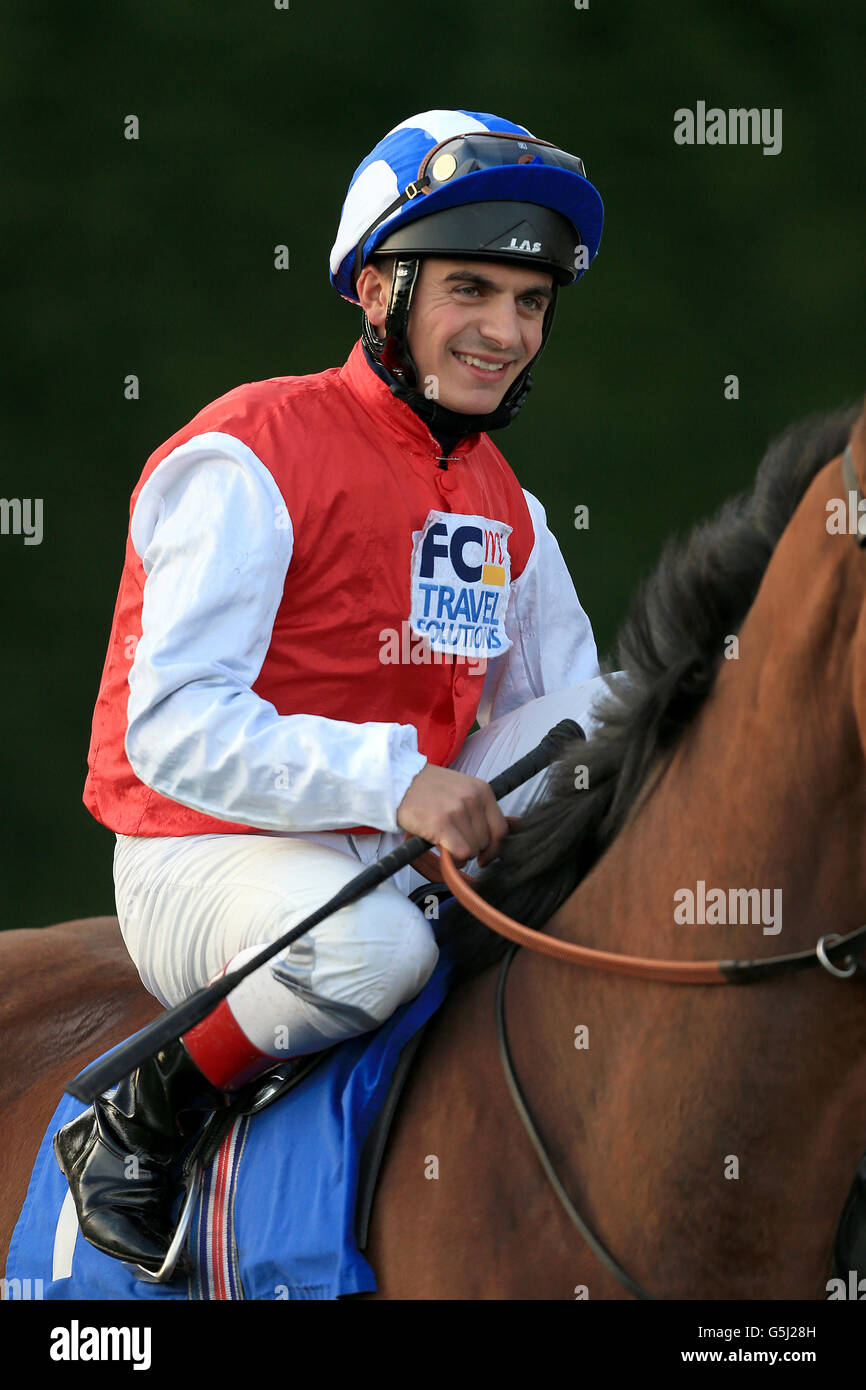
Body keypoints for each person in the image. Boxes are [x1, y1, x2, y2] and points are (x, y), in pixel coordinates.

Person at [54, 108, 607, 1273]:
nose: (504, 332)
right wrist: (400, 780)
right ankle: (143, 1114)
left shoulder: (507, 509)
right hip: (201, 851)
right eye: (471, 290)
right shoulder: (249, 452)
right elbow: (171, 727)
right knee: (375, 956)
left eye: (530, 302)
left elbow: (563, 716)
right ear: (376, 291)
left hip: (392, 857)